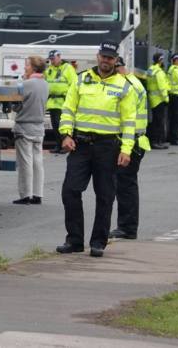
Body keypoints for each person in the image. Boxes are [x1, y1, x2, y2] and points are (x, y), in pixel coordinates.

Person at [57, 42, 137, 257]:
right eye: (103, 56)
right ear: (97, 56)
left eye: (110, 58)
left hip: (107, 147)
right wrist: (66, 134)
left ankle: (98, 242)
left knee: (105, 196)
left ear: (116, 60)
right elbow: (68, 109)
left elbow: (129, 121)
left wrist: (126, 149)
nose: (106, 61)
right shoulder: (81, 79)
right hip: (81, 144)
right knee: (70, 191)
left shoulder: (124, 86)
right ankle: (74, 240)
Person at [111, 53, 149, 240]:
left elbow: (127, 116)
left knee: (125, 185)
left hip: (131, 141)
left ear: (117, 67)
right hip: (136, 139)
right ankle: (127, 226)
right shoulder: (134, 81)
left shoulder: (128, 85)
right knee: (126, 183)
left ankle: (127, 227)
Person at [14, 56, 50, 204]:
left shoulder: (26, 84)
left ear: (34, 68)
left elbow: (16, 105)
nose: (25, 68)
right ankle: (37, 194)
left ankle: (25, 194)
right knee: (37, 162)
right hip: (39, 127)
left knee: (25, 162)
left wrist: (23, 80)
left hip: (24, 126)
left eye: (27, 65)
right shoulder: (45, 84)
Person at [45, 50, 76, 153]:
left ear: (59, 57)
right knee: (55, 126)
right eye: (50, 59)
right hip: (52, 102)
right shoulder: (50, 69)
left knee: (61, 125)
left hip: (63, 102)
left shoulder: (67, 68)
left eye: (53, 59)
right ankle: (58, 145)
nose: (52, 61)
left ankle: (64, 145)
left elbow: (74, 84)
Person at [146, 53, 170, 149]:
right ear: (160, 60)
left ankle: (154, 141)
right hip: (159, 99)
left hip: (152, 98)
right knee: (159, 122)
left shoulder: (150, 69)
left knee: (155, 121)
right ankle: (156, 142)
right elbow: (162, 87)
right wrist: (166, 98)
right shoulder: (159, 71)